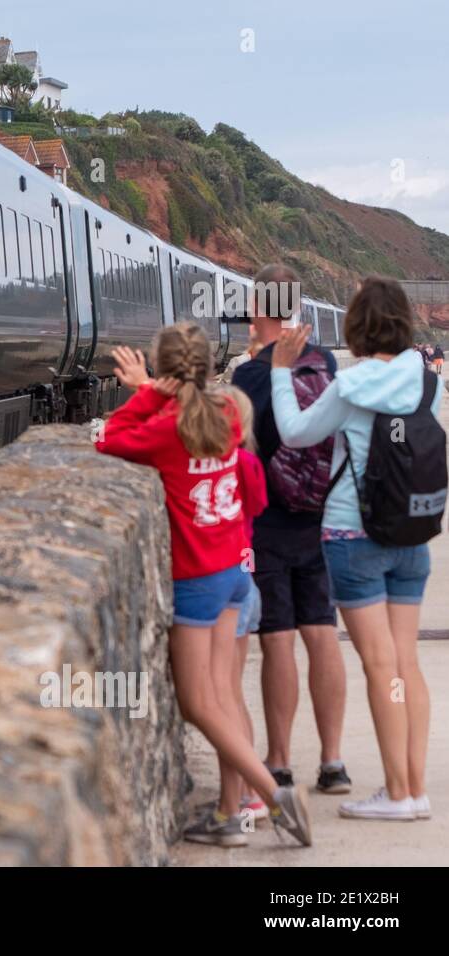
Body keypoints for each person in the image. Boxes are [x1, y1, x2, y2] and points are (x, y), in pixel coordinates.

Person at [96, 321, 312, 847]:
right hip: (238, 574)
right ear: (211, 368)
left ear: (162, 370)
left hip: (197, 583)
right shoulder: (226, 413)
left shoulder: (166, 429)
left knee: (197, 704)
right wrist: (158, 389)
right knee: (223, 694)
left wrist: (141, 393)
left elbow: (107, 438)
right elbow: (247, 489)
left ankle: (275, 794)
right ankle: (230, 813)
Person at [270, 278, 440, 821]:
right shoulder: (430, 383)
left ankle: (397, 793)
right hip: (412, 534)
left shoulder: (349, 387)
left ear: (358, 327)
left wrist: (278, 371)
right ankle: (415, 788)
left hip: (353, 535)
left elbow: (295, 434)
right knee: (405, 664)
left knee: (380, 666)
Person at [232, 264, 350, 796]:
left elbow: (240, 444)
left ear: (260, 309)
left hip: (268, 522)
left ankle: (279, 761)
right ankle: (333, 762)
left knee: (278, 638)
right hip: (319, 518)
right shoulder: (323, 361)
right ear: (297, 304)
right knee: (322, 632)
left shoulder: (251, 374)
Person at [226, 385, 269, 824]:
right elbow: (257, 505)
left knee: (224, 696)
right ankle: (251, 793)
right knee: (234, 694)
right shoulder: (250, 463)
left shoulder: (218, 465)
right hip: (247, 579)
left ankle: (250, 794)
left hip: (222, 586)